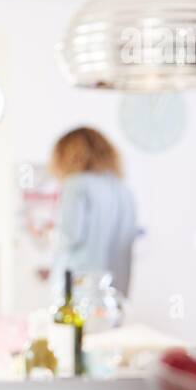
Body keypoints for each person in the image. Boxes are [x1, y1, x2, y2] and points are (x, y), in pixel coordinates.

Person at [48, 126, 138, 297]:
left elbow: (69, 236)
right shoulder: (124, 191)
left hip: (79, 290)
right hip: (116, 293)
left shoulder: (76, 185)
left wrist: (51, 233)